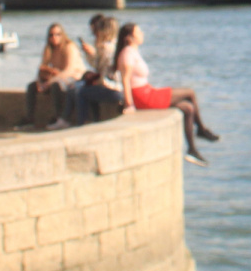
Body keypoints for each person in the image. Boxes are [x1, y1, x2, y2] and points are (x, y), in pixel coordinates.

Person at [113, 21, 217, 167]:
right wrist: (129, 104)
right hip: (143, 96)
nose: (142, 34)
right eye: (138, 32)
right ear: (129, 37)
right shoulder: (127, 54)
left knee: (188, 108)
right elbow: (125, 79)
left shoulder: (133, 52)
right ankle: (201, 129)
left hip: (147, 91)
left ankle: (192, 150)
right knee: (190, 93)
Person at [62, 16, 127, 127]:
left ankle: (83, 123)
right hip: (119, 87)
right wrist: (90, 54)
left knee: (82, 92)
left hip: (115, 89)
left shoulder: (106, 48)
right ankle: (93, 121)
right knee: (88, 90)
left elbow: (101, 70)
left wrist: (97, 80)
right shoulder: (116, 45)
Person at [25, 22, 86, 127]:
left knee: (55, 85)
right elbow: (42, 67)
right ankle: (29, 119)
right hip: (58, 77)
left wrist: (49, 83)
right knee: (31, 86)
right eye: (51, 35)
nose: (54, 37)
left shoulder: (69, 47)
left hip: (74, 77)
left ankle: (59, 118)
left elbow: (69, 70)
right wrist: (39, 82)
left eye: (58, 34)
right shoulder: (49, 49)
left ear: (63, 35)